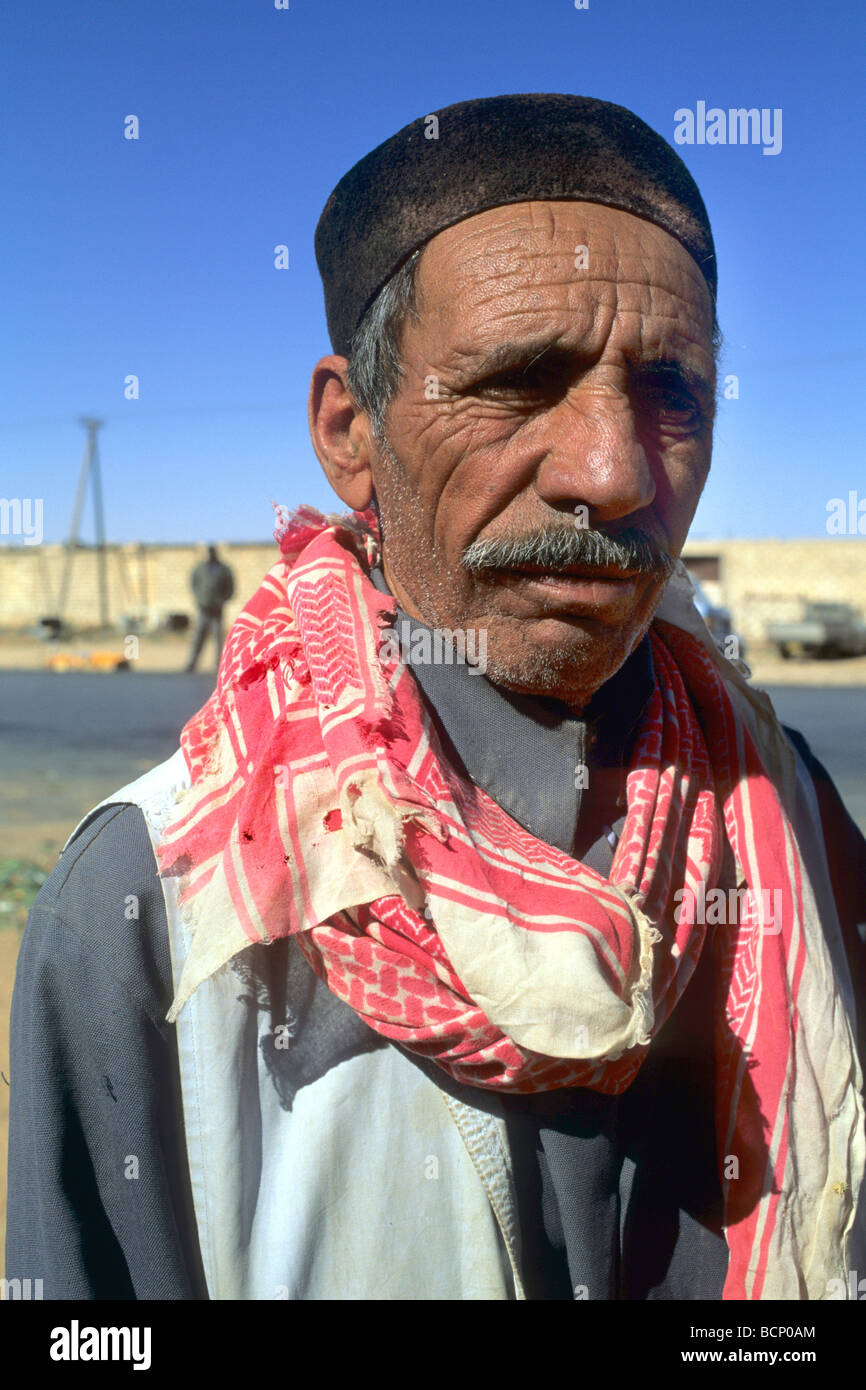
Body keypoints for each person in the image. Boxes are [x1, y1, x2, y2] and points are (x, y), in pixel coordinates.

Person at [7, 93, 866, 1302]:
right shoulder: (163, 910)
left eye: (670, 389)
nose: (612, 473)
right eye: (519, 382)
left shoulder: (785, 813)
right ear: (349, 432)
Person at [184, 544, 235, 672]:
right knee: (198, 637)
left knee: (218, 638)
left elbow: (231, 587)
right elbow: (193, 584)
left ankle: (220, 666)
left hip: (217, 610)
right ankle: (192, 663)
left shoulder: (224, 569)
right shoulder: (200, 568)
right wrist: (199, 598)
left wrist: (222, 600)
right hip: (203, 609)